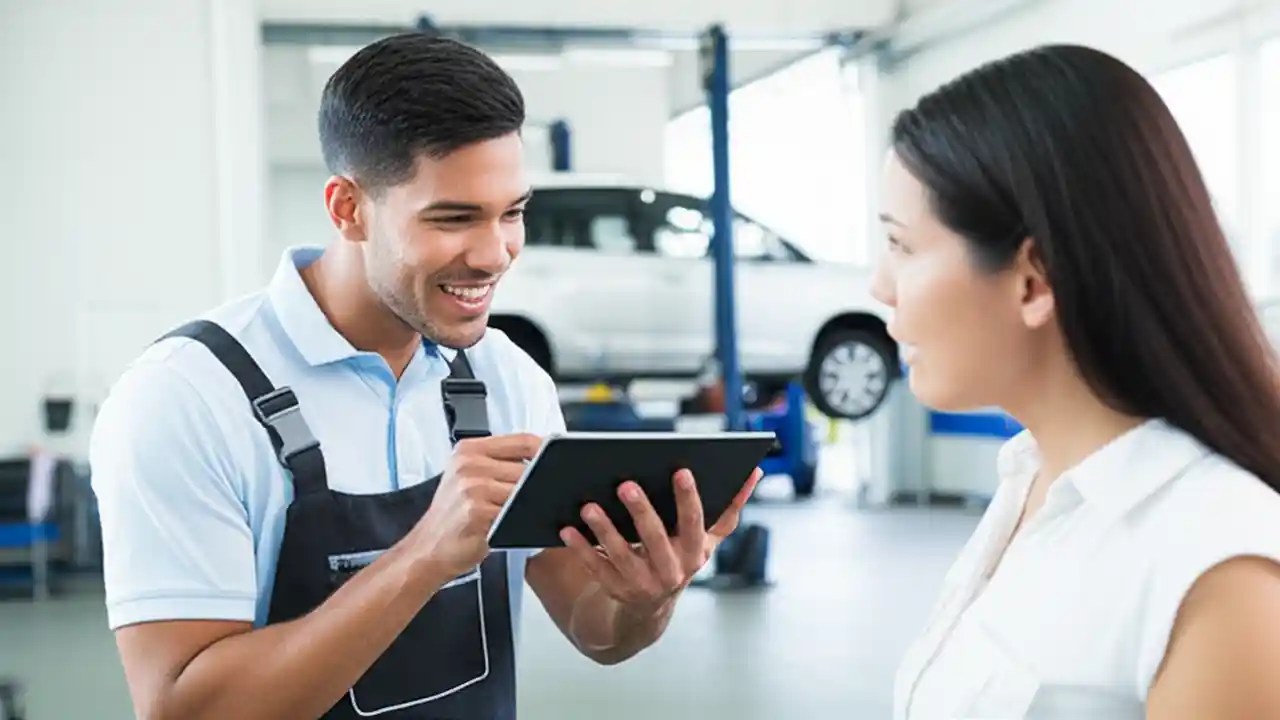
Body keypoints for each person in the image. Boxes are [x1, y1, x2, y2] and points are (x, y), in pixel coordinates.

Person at [88, 33, 760, 720]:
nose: (495, 253)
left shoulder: (509, 381)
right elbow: (183, 711)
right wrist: (424, 557)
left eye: (513, 212)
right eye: (454, 218)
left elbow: (596, 630)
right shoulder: (186, 400)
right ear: (348, 208)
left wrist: (648, 597)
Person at [874, 44, 1280, 718]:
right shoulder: (1029, 483)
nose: (880, 287)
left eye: (902, 246)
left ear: (1034, 279)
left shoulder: (1217, 568)